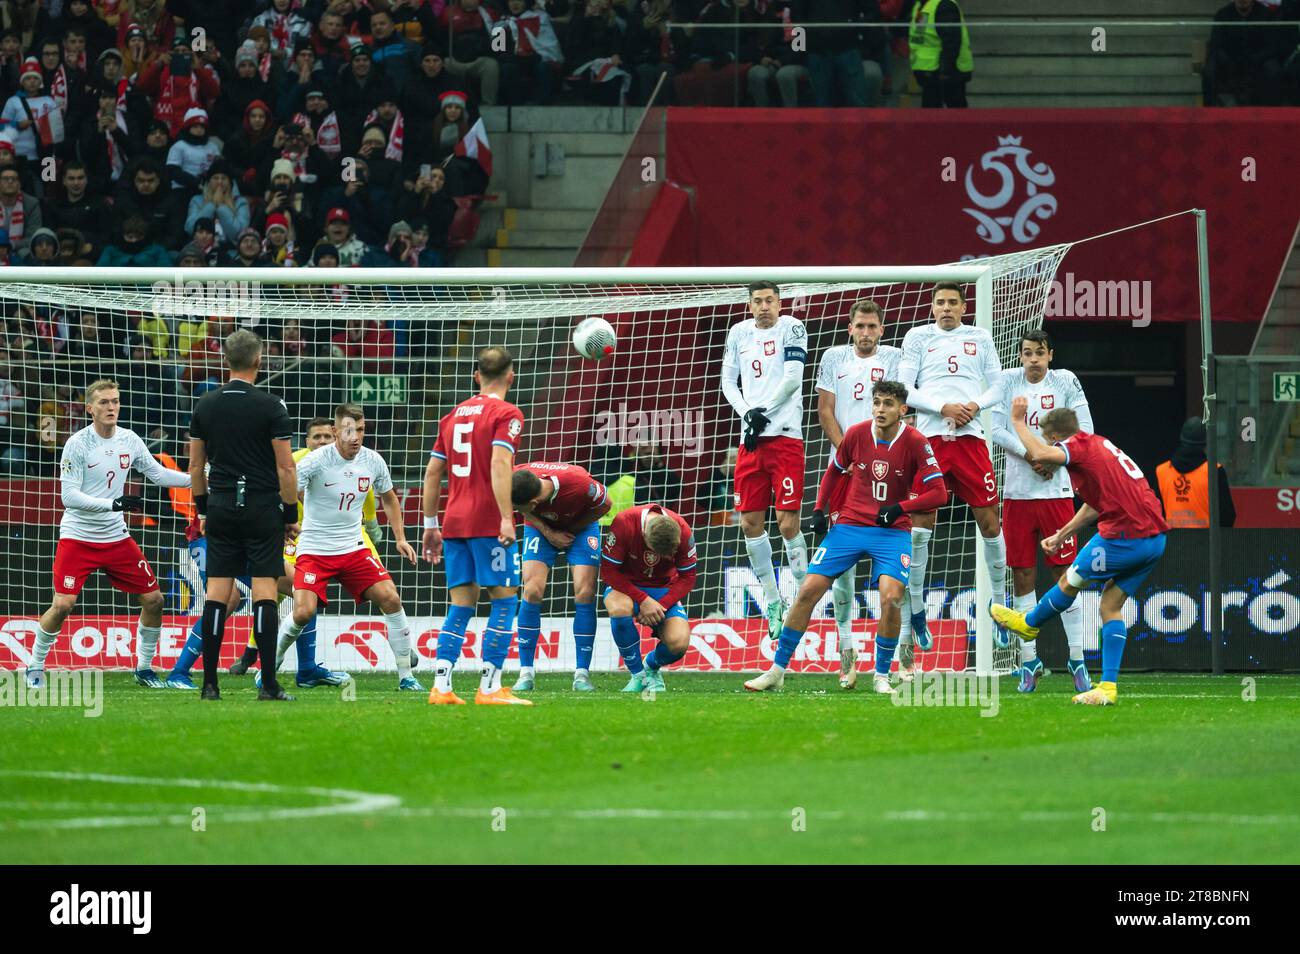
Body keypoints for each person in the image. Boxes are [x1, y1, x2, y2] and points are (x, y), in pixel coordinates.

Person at [746, 381, 947, 694]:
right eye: (877, 402)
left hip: (892, 531)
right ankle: (777, 670)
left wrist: (900, 508)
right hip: (850, 525)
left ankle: (881, 675)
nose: (881, 409)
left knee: (892, 597)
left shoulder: (917, 442)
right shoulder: (855, 433)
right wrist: (817, 509)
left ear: (902, 410)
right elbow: (835, 471)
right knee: (808, 590)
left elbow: (939, 493)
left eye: (889, 404)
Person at [992, 402, 1169, 706]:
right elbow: (1097, 503)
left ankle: (1029, 624)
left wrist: (1018, 423)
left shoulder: (1077, 447)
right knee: (1110, 606)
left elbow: (1041, 455)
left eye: (1049, 438)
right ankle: (1108, 688)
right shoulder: (1099, 445)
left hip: (1125, 536)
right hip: (1154, 539)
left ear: (1059, 436)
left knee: (1070, 580)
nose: (1048, 445)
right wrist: (1063, 534)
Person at [23, 379, 192, 690]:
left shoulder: (129, 440)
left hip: (115, 537)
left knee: (154, 600)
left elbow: (157, 474)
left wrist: (195, 480)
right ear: (90, 408)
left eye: (115, 401)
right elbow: (69, 497)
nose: (111, 407)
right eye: (104, 402)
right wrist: (111, 503)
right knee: (62, 605)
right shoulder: (77, 444)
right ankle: (35, 665)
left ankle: (144, 668)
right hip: (79, 537)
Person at [167, 417, 350, 690]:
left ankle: (308, 670)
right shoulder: (226, 454)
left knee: (306, 588)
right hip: (213, 537)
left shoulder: (276, 461)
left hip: (253, 540)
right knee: (228, 598)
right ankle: (178, 673)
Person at [271, 404, 421, 691]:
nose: (356, 437)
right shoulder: (316, 462)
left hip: (353, 548)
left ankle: (406, 677)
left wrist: (400, 538)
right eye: (349, 431)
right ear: (335, 431)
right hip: (314, 549)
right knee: (303, 612)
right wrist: (283, 524)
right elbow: (284, 490)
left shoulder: (373, 460)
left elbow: (389, 498)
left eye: (361, 430)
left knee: (391, 598)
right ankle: (270, 665)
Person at [188, 329, 301, 701]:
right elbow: (286, 468)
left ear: (226, 360)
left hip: (220, 505)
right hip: (260, 505)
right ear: (258, 360)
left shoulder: (205, 405)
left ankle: (209, 685)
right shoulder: (272, 406)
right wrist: (289, 512)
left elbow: (195, 465)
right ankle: (268, 683)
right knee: (265, 592)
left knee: (217, 594)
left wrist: (204, 509)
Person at [896, 282, 1007, 651]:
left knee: (989, 519)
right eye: (940, 302)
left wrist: (973, 405)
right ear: (932, 307)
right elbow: (904, 389)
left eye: (952, 303)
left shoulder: (979, 337)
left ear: (964, 307)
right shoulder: (917, 336)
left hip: (971, 439)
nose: (946, 308)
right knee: (920, 526)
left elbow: (998, 387)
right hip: (929, 439)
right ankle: (915, 610)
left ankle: (1000, 602)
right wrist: (942, 407)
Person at [422, 345, 530, 705]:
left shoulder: (452, 416)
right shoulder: (507, 414)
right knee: (503, 601)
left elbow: (433, 472)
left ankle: (442, 686)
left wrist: (429, 523)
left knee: (461, 605)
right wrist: (505, 517)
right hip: (487, 522)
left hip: (454, 522)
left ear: (476, 376)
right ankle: (489, 688)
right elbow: (501, 465)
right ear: (510, 375)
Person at [990, 329, 1093, 694]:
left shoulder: (1065, 381)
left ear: (1051, 354)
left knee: (1069, 576)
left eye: (1039, 353)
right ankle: (1029, 661)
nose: (1033, 360)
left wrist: (1053, 458)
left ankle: (1077, 658)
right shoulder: (1006, 381)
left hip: (1057, 491)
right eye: (1027, 353)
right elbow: (996, 430)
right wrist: (1031, 454)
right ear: (1020, 356)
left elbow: (1086, 430)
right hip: (1018, 495)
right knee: (1022, 577)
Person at [814, 299, 901, 688]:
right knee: (842, 572)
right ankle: (846, 655)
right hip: (846, 471)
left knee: (900, 573)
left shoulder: (897, 358)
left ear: (882, 330)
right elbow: (826, 411)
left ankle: (904, 656)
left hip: (887, 471)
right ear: (850, 328)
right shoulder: (833, 357)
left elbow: (904, 409)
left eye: (872, 327)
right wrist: (848, 456)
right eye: (860, 326)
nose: (866, 332)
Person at [720, 280, 809, 640]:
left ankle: (806, 592)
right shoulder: (739, 332)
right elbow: (728, 381)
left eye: (770, 300)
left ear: (779, 301)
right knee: (749, 522)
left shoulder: (793, 327)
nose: (764, 306)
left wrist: (763, 411)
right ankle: (773, 601)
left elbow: (792, 379)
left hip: (785, 436)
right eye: (757, 301)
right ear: (750, 304)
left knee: (788, 525)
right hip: (752, 439)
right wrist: (747, 413)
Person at [510, 461, 611, 692]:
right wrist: (549, 532)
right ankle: (525, 672)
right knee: (532, 590)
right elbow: (520, 508)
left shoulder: (579, 482)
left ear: (534, 502)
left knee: (585, 592)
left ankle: (582, 675)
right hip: (541, 528)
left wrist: (573, 529)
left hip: (581, 527)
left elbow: (606, 504)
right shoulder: (516, 477)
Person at [602, 502, 697, 692]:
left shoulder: (683, 530)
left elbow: (688, 577)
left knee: (679, 643)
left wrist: (660, 605)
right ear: (644, 535)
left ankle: (650, 666)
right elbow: (608, 572)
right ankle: (638, 676)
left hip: (663, 590)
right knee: (618, 609)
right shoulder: (624, 523)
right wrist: (644, 600)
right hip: (626, 587)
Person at [1153, 417, 1237, 529]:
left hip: (1172, 543)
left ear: (1181, 439)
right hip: (1206, 543)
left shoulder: (1162, 471)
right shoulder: (1214, 471)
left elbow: (1155, 514)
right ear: (1205, 443)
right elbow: (1227, 516)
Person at [908, 0, 972, 107]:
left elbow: (951, 42)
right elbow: (920, 35)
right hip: (930, 72)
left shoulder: (944, 5)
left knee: (955, 115)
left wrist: (945, 72)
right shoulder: (923, 5)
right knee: (931, 116)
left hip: (945, 73)